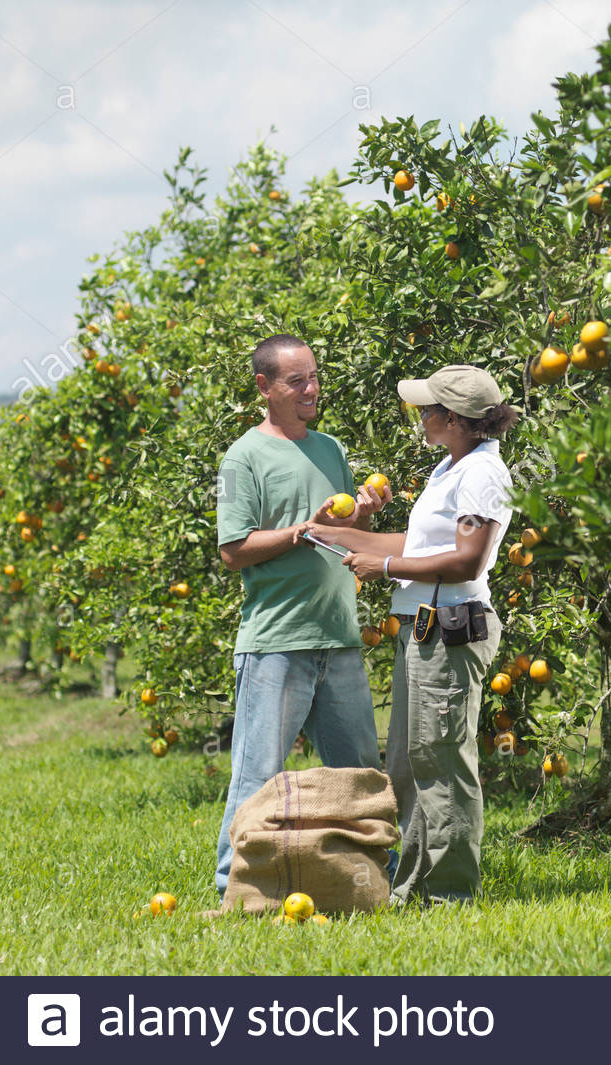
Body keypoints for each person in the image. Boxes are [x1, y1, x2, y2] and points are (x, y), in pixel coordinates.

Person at [302, 365, 517, 905]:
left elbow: (467, 560)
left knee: (442, 762)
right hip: (425, 630)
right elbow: (419, 541)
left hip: (451, 627)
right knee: (412, 761)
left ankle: (450, 896)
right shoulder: (452, 466)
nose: (420, 416)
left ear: (456, 418)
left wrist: (388, 566)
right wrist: (336, 533)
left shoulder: (481, 475)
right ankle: (413, 888)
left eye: (428, 409)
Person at [213, 333, 393, 897]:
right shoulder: (243, 458)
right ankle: (232, 890)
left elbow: (340, 537)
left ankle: (373, 884)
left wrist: (362, 514)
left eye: (314, 377)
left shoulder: (331, 448)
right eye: (298, 381)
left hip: (338, 636)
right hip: (276, 641)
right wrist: (298, 531)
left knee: (359, 771)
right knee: (256, 775)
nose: (312, 389)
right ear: (265, 388)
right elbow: (232, 550)